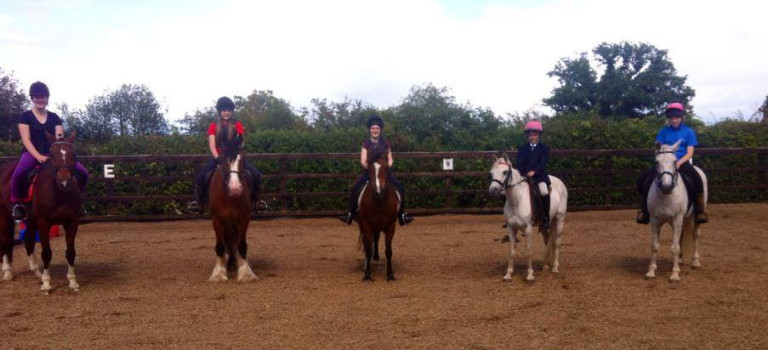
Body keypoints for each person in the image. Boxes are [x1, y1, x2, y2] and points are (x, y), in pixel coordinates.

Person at [10, 81, 89, 221]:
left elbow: (59, 139)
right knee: (18, 174)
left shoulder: (54, 117)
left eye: (43, 97)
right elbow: (26, 140)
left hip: (54, 155)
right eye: (37, 97)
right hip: (32, 153)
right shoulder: (25, 116)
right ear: (32, 98)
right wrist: (38, 156)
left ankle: (78, 203)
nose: (40, 100)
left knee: (83, 172)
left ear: (47, 98)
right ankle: (17, 205)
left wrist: (59, 154)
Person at [188, 96, 267, 214]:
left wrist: (235, 153)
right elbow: (212, 144)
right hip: (219, 157)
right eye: (224, 110)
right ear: (220, 111)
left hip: (235, 157)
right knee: (201, 176)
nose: (227, 112)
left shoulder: (237, 124)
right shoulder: (213, 125)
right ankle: (199, 203)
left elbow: (242, 141)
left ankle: (257, 201)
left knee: (256, 174)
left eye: (229, 110)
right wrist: (218, 158)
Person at [636, 102, 708, 224]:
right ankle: (645, 211)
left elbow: (690, 152)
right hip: (665, 163)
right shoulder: (663, 132)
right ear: (669, 119)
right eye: (672, 118)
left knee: (697, 179)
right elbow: (658, 149)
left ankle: (699, 211)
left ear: (682, 118)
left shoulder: (689, 132)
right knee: (643, 179)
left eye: (677, 118)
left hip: (682, 161)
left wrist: (679, 162)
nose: (674, 120)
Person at [339, 115, 413, 226]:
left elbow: (390, 159)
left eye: (377, 128)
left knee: (400, 187)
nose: (375, 130)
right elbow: (363, 161)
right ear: (370, 130)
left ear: (380, 130)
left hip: (383, 173)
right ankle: (350, 214)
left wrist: (386, 167)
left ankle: (402, 215)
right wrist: (371, 168)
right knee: (355, 188)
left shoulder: (385, 144)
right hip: (370, 173)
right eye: (373, 128)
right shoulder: (366, 144)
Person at [516, 120, 551, 232]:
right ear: (528, 136)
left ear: (538, 135)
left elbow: (543, 163)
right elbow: (520, 162)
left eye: (535, 135)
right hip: (524, 176)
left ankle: (545, 218)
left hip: (539, 176)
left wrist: (534, 171)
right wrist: (523, 173)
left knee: (544, 192)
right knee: (511, 190)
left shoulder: (544, 148)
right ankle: (511, 218)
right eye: (531, 135)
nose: (533, 137)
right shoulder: (522, 149)